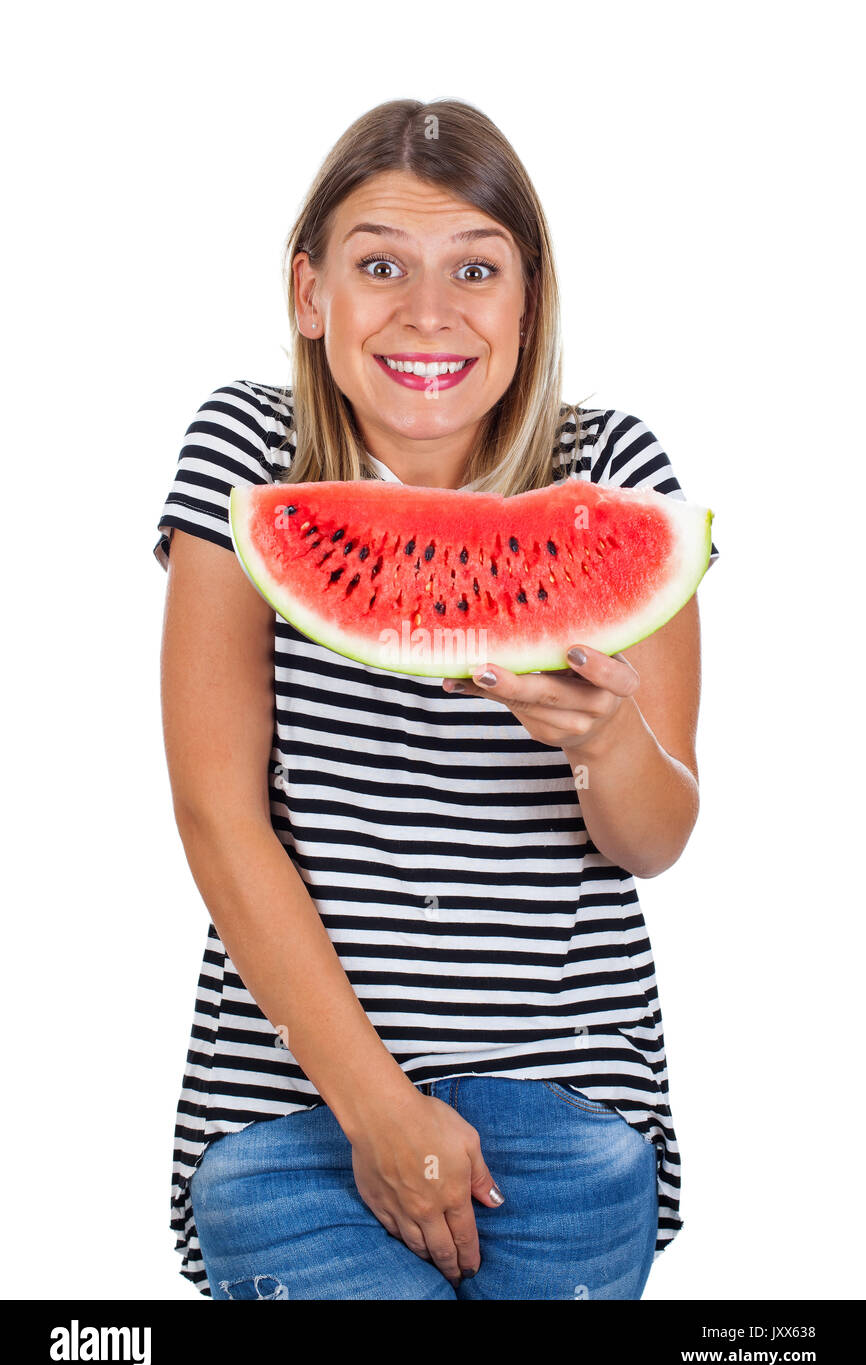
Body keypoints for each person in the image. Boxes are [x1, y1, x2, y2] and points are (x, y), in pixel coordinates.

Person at [154, 98, 719, 1301]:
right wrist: (376, 1106)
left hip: (567, 1100)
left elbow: (655, 835)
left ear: (528, 299)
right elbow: (215, 814)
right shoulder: (246, 459)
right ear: (311, 295)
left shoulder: (613, 476)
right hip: (295, 1112)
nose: (427, 312)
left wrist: (608, 736)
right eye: (378, 266)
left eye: (474, 267)